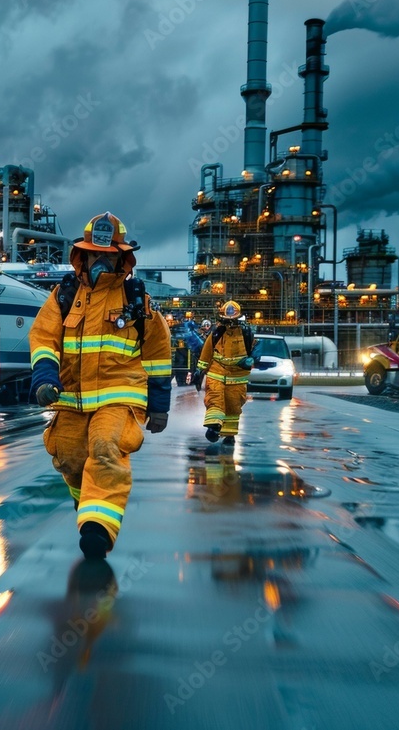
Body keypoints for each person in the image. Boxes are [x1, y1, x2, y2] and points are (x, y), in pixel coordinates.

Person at [28, 212, 173, 560]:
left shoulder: (136, 299)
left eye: (109, 256)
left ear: (122, 258)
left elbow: (157, 351)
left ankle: (98, 528)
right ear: (84, 256)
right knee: (68, 454)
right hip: (72, 399)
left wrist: (159, 406)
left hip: (118, 396)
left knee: (105, 446)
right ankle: (88, 505)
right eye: (95, 255)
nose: (101, 262)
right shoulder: (64, 295)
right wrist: (45, 376)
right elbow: (44, 337)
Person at [192, 300, 256, 446]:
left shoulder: (246, 333)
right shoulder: (216, 333)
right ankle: (214, 427)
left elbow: (254, 351)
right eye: (226, 321)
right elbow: (207, 351)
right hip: (217, 372)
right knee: (215, 400)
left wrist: (251, 360)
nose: (229, 324)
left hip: (237, 376)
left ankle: (229, 434)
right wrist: (200, 369)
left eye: (232, 320)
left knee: (234, 407)